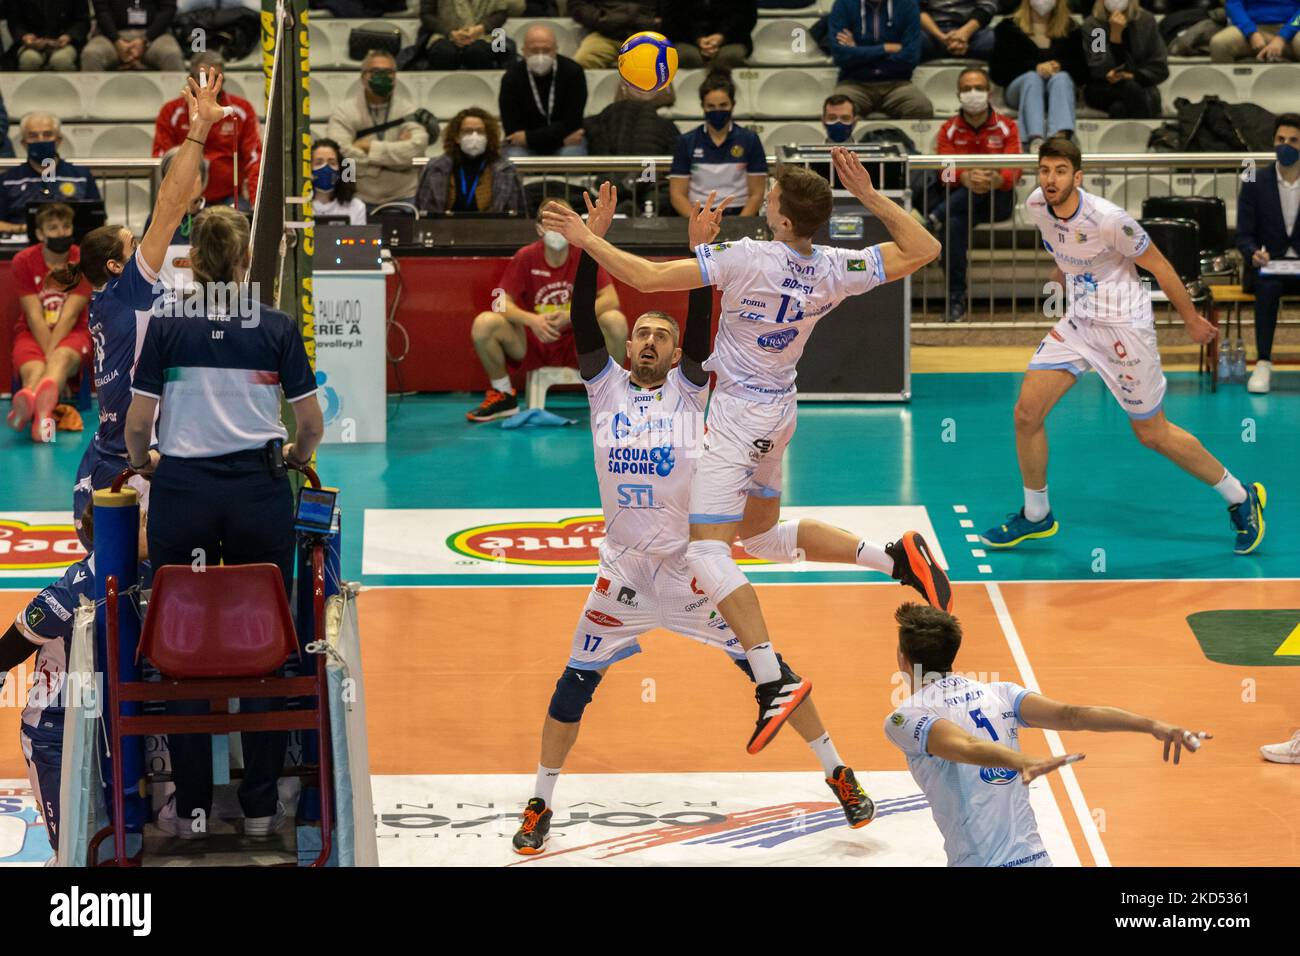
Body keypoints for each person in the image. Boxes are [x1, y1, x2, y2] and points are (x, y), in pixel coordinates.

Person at [542, 150, 950, 752]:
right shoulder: (836, 264)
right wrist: (867, 194)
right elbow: (925, 250)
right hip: (781, 410)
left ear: (783, 221)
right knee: (759, 538)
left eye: (775, 198)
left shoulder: (747, 257)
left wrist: (584, 238)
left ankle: (768, 682)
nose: (766, 200)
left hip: (737, 418)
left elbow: (649, 280)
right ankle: (891, 559)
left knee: (708, 552)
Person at [512, 185, 877, 854]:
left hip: (690, 571)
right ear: (630, 348)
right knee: (572, 688)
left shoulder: (693, 386)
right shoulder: (603, 386)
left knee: (774, 676)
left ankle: (840, 774)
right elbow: (589, 323)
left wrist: (701, 252)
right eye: (642, 334)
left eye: (662, 335)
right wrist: (592, 242)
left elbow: (705, 309)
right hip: (621, 574)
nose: (650, 340)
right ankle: (540, 800)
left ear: (679, 354)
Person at [124, 189, 323, 839]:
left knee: (179, 642)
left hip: (182, 494)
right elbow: (311, 423)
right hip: (257, 493)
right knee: (267, 643)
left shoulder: (168, 325)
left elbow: (136, 426)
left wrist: (150, 461)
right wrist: (295, 453)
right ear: (243, 261)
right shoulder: (274, 325)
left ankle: (189, 812)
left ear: (192, 262)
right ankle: (263, 808)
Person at [980, 138, 1267, 555]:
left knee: (1152, 433)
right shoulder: (1037, 205)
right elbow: (1063, 249)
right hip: (1079, 323)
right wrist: (1061, 280)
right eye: (1045, 170)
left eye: (1060, 171)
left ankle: (1241, 496)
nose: (1051, 179)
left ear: (1077, 177)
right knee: (1026, 414)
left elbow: (1161, 266)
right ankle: (1037, 515)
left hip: (1123, 329)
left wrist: (1190, 319)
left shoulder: (1110, 219)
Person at [883, 602, 1210, 867]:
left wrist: (1021, 760)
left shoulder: (905, 718)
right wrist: (1153, 725)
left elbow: (964, 745)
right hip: (1036, 860)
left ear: (902, 658)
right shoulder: (1001, 693)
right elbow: (1075, 714)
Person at [65, 68, 226, 555]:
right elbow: (170, 205)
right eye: (132, 246)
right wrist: (200, 128)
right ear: (117, 264)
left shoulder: (106, 300)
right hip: (132, 464)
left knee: (124, 582)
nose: (145, 250)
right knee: (145, 576)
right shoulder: (127, 288)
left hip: (107, 454)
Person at [0, 502, 151, 865]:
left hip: (117, 726)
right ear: (120, 529)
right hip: (57, 735)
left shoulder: (150, 575)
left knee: (125, 837)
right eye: (146, 520)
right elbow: (9, 649)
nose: (155, 524)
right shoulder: (71, 591)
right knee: (70, 850)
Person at [467, 200, 627, 422]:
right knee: (484, 323)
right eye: (550, 222)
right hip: (536, 340)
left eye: (561, 221)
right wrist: (532, 320)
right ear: (539, 228)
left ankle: (612, 395)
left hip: (578, 342)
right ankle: (503, 396)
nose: (556, 230)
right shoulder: (525, 256)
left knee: (615, 320)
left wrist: (572, 316)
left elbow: (611, 299)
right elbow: (499, 303)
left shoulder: (584, 253)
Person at [926, 67, 1021, 323]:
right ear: (958, 94)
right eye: (967, 89)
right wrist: (965, 177)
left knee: (965, 199)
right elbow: (944, 173)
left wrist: (996, 178)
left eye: (978, 88)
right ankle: (956, 300)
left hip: (998, 200)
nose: (973, 93)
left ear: (988, 92)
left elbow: (1015, 168)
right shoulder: (948, 129)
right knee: (953, 226)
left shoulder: (1007, 126)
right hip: (962, 203)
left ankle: (932, 218)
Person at [7, 203, 92, 441]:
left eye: (66, 226)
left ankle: (34, 408)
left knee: (61, 358)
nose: (62, 232)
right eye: (53, 228)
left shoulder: (81, 259)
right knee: (34, 369)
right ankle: (40, 407)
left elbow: (70, 315)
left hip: (74, 332)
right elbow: (34, 316)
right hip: (31, 333)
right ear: (41, 234)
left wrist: (50, 357)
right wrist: (47, 360)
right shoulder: (23, 260)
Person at [1236, 113, 1300, 395]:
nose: (1285, 145)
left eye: (1294, 140)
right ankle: (1263, 362)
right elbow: (1243, 234)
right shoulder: (1254, 181)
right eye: (1280, 139)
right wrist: (1253, 253)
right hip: (1268, 265)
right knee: (1267, 288)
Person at [152, 51, 261, 209]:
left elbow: (255, 160)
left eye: (215, 78)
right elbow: (162, 161)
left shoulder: (241, 111)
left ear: (223, 80)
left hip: (229, 198)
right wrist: (170, 199)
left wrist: (256, 203)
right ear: (191, 80)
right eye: (203, 78)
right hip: (183, 197)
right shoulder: (170, 112)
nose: (209, 85)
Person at [326, 51, 429, 213]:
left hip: (404, 198)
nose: (382, 76)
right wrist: (395, 159)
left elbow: (416, 151)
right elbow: (341, 155)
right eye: (374, 71)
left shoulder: (409, 111)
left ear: (395, 77)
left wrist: (367, 147)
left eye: (388, 72)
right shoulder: (344, 112)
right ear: (362, 77)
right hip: (357, 199)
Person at [991, 0, 1086, 152]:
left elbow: (1083, 72)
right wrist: (1034, 67)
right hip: (1020, 89)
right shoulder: (1007, 28)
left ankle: (1059, 138)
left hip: (1059, 90)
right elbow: (998, 72)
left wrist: (1060, 66)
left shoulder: (1072, 28)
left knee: (1061, 78)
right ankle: (1035, 139)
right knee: (1032, 78)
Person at [668, 72, 766, 219]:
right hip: (698, 214)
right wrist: (698, 223)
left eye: (723, 105)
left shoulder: (750, 139)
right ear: (703, 107)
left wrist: (739, 224)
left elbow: (757, 194)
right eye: (711, 106)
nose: (717, 110)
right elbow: (677, 194)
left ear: (733, 105)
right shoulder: (686, 141)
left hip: (740, 213)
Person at [827, 0, 934, 120]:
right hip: (853, 83)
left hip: (897, 83)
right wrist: (885, 48)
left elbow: (910, 58)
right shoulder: (843, 4)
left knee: (920, 107)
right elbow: (841, 56)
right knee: (839, 112)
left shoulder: (908, 4)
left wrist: (857, 50)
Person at [0, 113, 102, 235]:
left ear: (58, 140)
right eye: (33, 136)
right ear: (23, 143)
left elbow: (99, 221)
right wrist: (26, 229)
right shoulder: (7, 180)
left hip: (73, 245)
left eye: (47, 134)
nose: (40, 140)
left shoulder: (81, 176)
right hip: (20, 246)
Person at [413, 107, 528, 216]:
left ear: (488, 136)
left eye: (480, 131)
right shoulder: (435, 168)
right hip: (444, 231)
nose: (474, 136)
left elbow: (518, 214)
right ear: (457, 136)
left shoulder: (506, 170)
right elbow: (422, 213)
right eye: (467, 131)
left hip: (492, 232)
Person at [499, 25, 588, 158]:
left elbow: (572, 122)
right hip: (543, 144)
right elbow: (512, 130)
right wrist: (561, 139)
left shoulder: (573, 72)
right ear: (523, 51)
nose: (540, 55)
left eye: (546, 50)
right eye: (534, 50)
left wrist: (528, 138)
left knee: (572, 156)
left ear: (556, 50)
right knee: (514, 159)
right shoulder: (511, 77)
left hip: (560, 144)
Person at [1081, 0, 1168, 119]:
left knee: (1119, 108)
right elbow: (1098, 69)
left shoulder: (1145, 21)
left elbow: (1160, 67)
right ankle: (1149, 134)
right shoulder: (1096, 26)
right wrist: (1115, 36)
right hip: (1103, 88)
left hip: (1140, 84)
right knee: (1131, 89)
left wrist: (1132, 75)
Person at [81, 0, 184, 72]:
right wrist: (116, 40)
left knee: (172, 54)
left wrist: (145, 39)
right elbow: (101, 11)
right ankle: (89, 103)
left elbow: (168, 9)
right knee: (91, 54)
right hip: (111, 35)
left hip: (154, 34)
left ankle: (177, 103)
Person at [660, 0, 758, 71]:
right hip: (687, 39)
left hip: (732, 39)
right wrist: (697, 38)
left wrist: (722, 36)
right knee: (689, 57)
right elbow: (672, 19)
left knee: (728, 57)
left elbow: (747, 17)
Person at [418, 0, 513, 70]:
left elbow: (501, 13)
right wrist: (450, 32)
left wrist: (481, 28)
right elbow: (426, 15)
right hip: (443, 33)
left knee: (478, 52)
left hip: (485, 33)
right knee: (444, 52)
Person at [569, 0, 661, 69]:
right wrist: (601, 18)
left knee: (663, 66)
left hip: (650, 37)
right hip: (606, 35)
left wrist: (653, 23)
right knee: (579, 65)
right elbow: (578, 4)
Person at [7, 0, 90, 71]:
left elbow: (82, 20)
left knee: (61, 60)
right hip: (30, 43)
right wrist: (25, 36)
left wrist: (69, 36)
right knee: (29, 60)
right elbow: (14, 21)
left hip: (67, 42)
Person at [1209, 0, 1300, 61]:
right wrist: (1251, 32)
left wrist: (1283, 37)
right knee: (1219, 43)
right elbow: (1233, 4)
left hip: (1293, 29)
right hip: (1252, 27)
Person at [919, 0, 999, 61]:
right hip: (931, 30)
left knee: (996, 42)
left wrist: (964, 33)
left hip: (971, 29)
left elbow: (988, 5)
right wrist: (941, 37)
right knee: (914, 42)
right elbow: (917, 8)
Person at [312, 138, 367, 226]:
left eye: (332, 163)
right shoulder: (296, 207)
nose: (326, 169)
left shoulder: (356, 207)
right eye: (319, 162)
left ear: (341, 169)